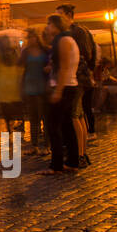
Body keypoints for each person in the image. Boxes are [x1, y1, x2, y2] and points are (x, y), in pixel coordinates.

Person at [41, 14, 80, 174]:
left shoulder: (63, 41)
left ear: (56, 25)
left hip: (64, 86)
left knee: (54, 127)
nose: (48, 26)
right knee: (66, 126)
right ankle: (72, 162)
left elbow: (64, 67)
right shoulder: (66, 39)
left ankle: (56, 165)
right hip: (69, 85)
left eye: (49, 24)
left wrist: (58, 91)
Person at [56, 4, 97, 141]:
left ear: (68, 15)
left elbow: (88, 54)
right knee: (78, 112)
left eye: (60, 14)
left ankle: (81, 144)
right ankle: (80, 145)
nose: (58, 18)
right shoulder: (70, 31)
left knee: (77, 113)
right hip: (77, 75)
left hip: (78, 76)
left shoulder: (77, 31)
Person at [0, 35, 24, 137]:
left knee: (6, 110)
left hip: (2, 87)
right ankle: (18, 125)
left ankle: (9, 129)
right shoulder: (14, 53)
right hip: (14, 85)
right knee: (16, 108)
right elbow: (19, 68)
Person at [19, 32, 49, 151]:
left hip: (43, 86)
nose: (31, 40)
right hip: (30, 86)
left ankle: (47, 145)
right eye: (29, 38)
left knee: (45, 117)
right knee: (33, 118)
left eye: (33, 37)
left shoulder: (45, 50)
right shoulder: (26, 52)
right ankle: (34, 145)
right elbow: (19, 65)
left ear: (37, 38)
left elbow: (52, 62)